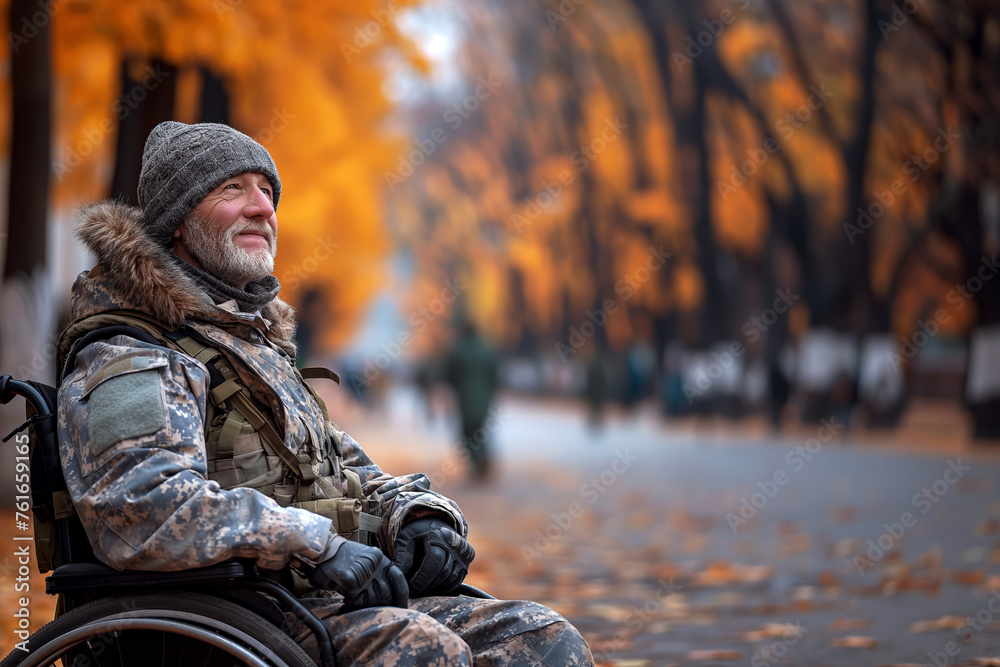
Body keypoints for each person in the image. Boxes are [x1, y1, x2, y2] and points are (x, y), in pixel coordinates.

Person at [55, 121, 593, 666]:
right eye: (232, 189)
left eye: (267, 190)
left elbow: (342, 467)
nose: (262, 207)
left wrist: (416, 516)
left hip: (303, 606)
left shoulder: (251, 345)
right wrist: (315, 543)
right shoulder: (134, 352)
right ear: (178, 221)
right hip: (213, 624)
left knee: (542, 639)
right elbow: (141, 507)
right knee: (427, 651)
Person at [444, 321, 500, 480]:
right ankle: (482, 462)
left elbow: (450, 376)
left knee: (467, 434)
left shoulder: (458, 351)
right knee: (480, 432)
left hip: (465, 400)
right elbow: (495, 377)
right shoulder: (488, 350)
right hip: (484, 400)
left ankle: (478, 462)